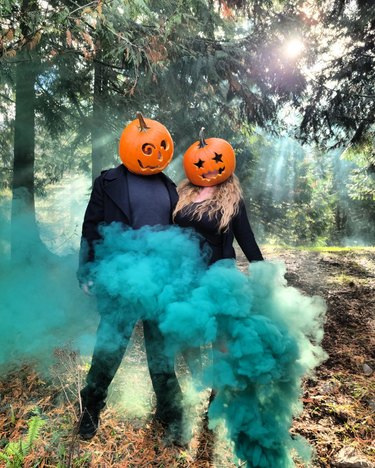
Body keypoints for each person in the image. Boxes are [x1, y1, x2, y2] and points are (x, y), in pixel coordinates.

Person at [76, 113, 184, 444]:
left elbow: (179, 236)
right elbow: (91, 227)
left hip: (159, 283)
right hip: (120, 280)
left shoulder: (170, 187)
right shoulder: (108, 182)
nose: (155, 153)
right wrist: (86, 269)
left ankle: (170, 413)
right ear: (130, 146)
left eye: (162, 146)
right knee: (109, 348)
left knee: (162, 354)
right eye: (148, 147)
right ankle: (91, 407)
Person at [173, 129, 264, 389]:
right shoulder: (183, 193)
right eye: (201, 163)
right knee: (188, 335)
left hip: (218, 275)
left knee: (220, 338)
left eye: (215, 163)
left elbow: (246, 238)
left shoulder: (233, 198)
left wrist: (263, 272)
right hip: (186, 275)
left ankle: (218, 393)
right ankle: (199, 383)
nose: (209, 169)